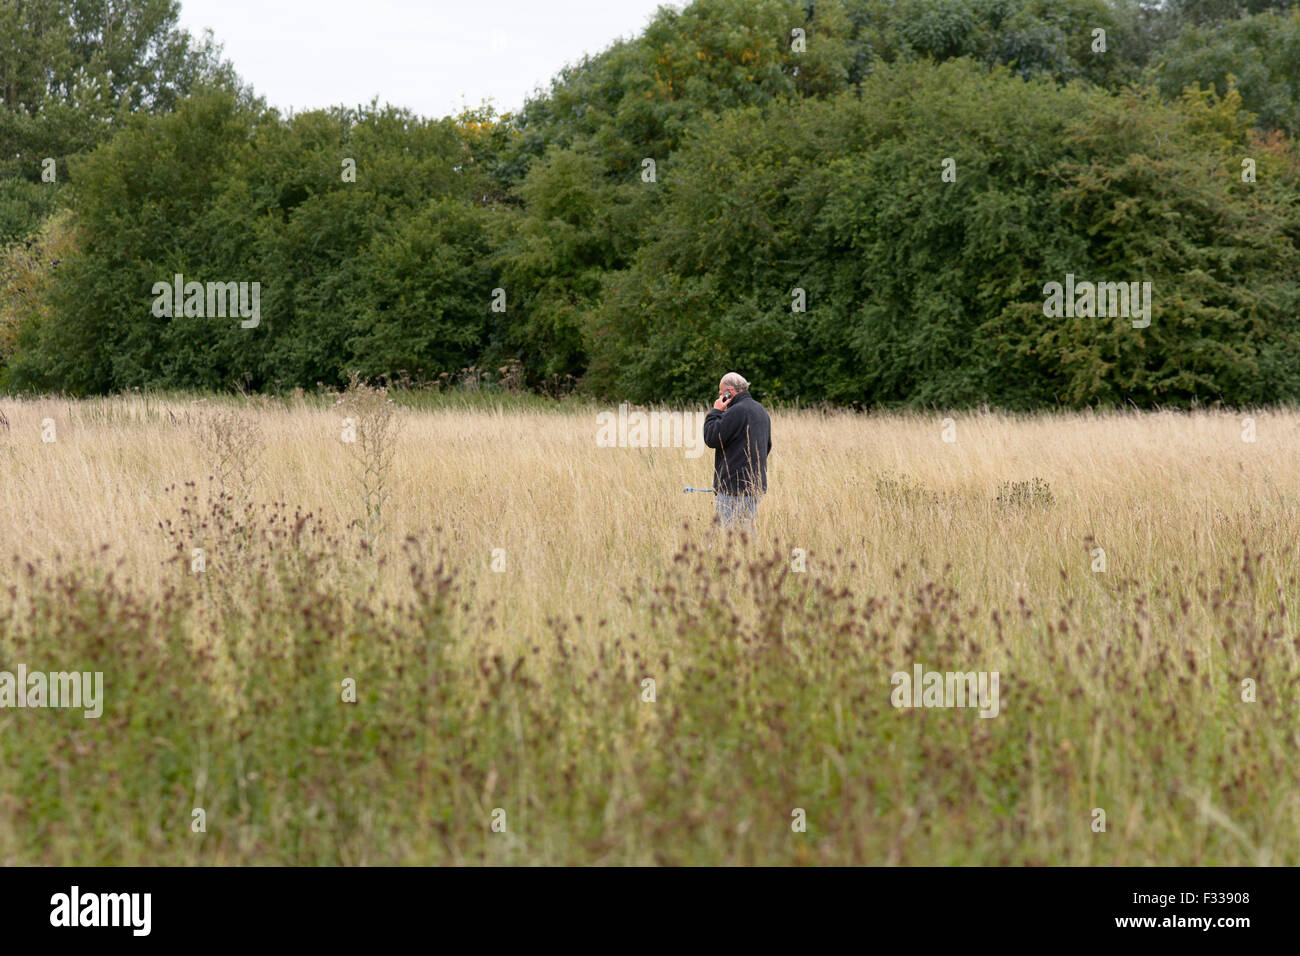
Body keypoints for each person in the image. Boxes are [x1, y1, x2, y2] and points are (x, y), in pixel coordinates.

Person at [703, 372, 771, 533]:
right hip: (754, 485)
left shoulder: (735, 411)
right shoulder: (761, 410)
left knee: (727, 536)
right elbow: (767, 446)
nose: (720, 397)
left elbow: (711, 438)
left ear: (730, 392)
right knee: (746, 534)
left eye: (721, 394)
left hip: (733, 488)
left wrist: (715, 412)